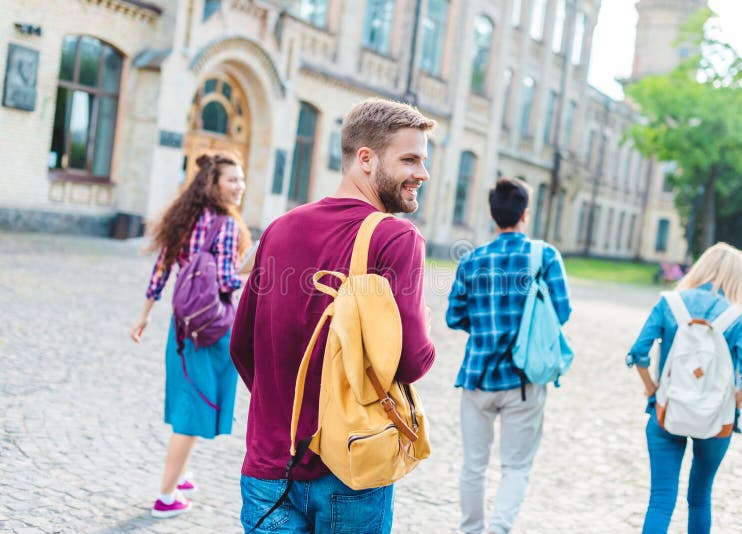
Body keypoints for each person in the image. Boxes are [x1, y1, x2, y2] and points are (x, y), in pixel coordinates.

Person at [230, 98, 437, 532]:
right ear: (365, 158)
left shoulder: (280, 228)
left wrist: (286, 411)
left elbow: (242, 346)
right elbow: (412, 362)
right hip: (351, 468)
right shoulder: (395, 238)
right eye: (410, 159)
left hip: (269, 467)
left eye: (423, 159)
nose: (423, 173)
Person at [446, 178, 572, 534]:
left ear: (492, 214)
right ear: (525, 215)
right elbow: (561, 312)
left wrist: (486, 328)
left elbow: (454, 316)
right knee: (515, 466)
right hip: (523, 379)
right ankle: (499, 529)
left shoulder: (472, 260)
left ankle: (471, 530)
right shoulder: (544, 256)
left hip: (478, 377)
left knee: (473, 465)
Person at [130, 152, 252, 518]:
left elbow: (162, 267)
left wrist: (145, 315)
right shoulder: (227, 225)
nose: (239, 186)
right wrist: (253, 271)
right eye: (232, 179)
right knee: (193, 410)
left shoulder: (185, 219)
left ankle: (180, 475)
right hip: (212, 328)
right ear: (214, 184)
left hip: (183, 326)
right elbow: (227, 280)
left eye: (242, 179)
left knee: (189, 398)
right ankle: (165, 497)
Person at [627, 242, 742, 534]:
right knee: (700, 498)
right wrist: (736, 401)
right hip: (717, 421)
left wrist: (651, 388)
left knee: (661, 500)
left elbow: (638, 352)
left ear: (702, 267)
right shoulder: (740, 317)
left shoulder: (670, 303)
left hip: (667, 410)